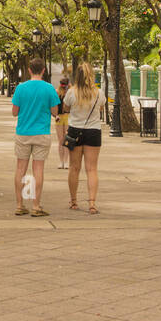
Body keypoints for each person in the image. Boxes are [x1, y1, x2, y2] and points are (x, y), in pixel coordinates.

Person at [10, 57, 59, 217]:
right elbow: (55, 112)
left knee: (20, 169)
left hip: (23, 133)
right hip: (42, 133)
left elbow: (14, 112)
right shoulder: (49, 88)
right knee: (38, 169)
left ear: (29, 70)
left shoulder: (20, 88)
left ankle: (19, 205)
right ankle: (36, 205)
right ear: (44, 70)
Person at [63, 62, 105, 214]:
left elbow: (66, 108)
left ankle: (74, 201)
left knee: (74, 168)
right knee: (92, 169)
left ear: (77, 76)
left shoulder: (71, 93)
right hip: (93, 132)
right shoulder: (99, 93)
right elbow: (101, 108)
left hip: (75, 132)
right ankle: (92, 203)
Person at [54, 74, 71, 168]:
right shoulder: (56, 92)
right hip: (59, 117)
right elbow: (55, 105)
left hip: (68, 116)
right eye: (62, 84)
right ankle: (61, 161)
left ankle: (66, 161)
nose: (63, 86)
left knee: (67, 139)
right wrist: (55, 115)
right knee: (61, 140)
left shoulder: (70, 92)